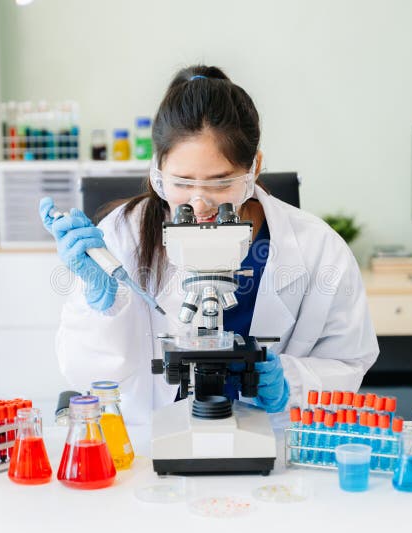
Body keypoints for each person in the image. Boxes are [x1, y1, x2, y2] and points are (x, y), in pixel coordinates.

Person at [40, 65, 379, 424]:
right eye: (183, 182)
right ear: (158, 170)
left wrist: (292, 383)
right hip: (150, 439)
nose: (199, 202)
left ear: (254, 168)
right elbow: (83, 374)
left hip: (277, 440)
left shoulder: (317, 247)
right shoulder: (122, 235)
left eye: (220, 183)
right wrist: (100, 304)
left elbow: (348, 361)